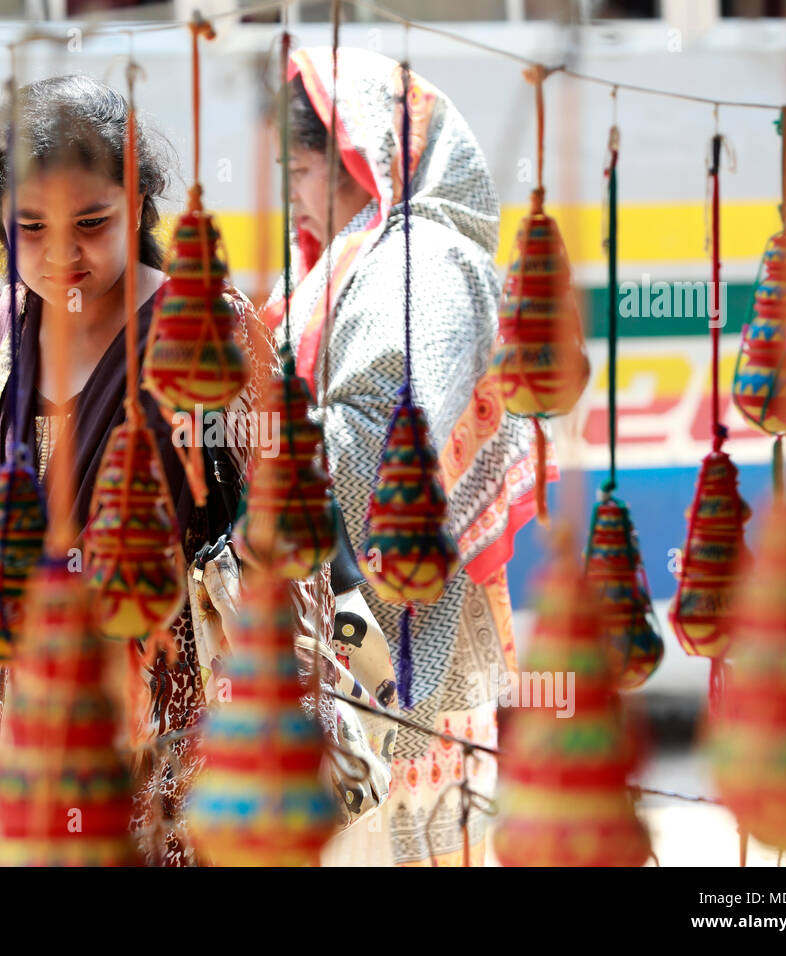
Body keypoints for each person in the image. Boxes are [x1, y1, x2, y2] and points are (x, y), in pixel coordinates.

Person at [0, 73, 302, 866]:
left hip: (181, 716)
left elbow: (291, 524)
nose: (61, 254)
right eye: (30, 228)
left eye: (92, 223)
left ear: (137, 205)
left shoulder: (210, 331)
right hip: (25, 727)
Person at [266, 47, 544, 867]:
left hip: (414, 647)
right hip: (368, 640)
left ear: (362, 156)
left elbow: (379, 457)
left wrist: (245, 438)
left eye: (304, 170)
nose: (292, 196)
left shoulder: (420, 266)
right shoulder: (366, 261)